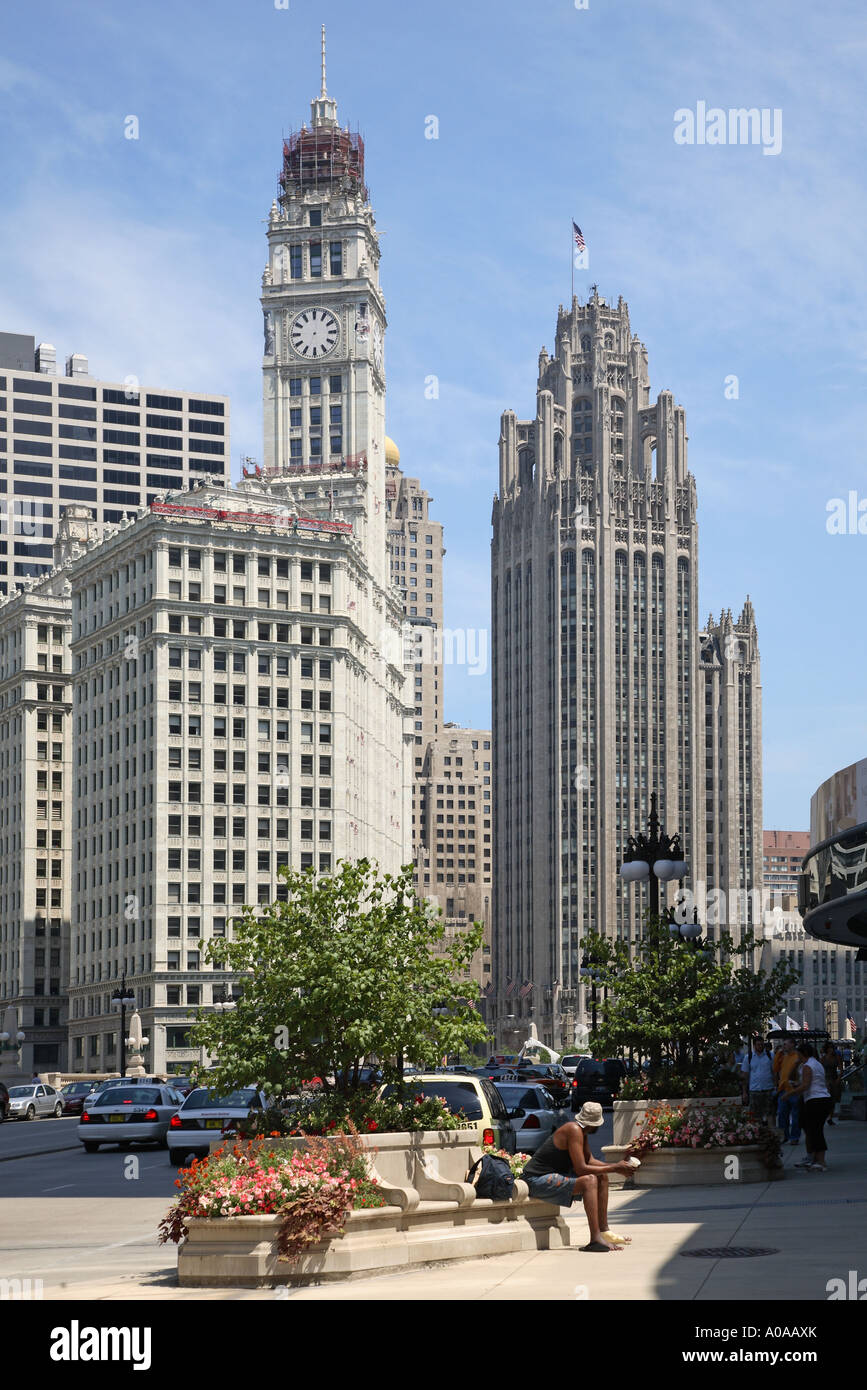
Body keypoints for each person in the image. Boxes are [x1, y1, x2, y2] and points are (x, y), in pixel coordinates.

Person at [521, 1101, 635, 1252]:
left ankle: (604, 1232)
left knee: (601, 1176)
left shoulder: (582, 1131)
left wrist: (619, 1166)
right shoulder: (573, 1130)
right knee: (589, 1180)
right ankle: (595, 1240)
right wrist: (616, 1168)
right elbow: (581, 1169)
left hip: (551, 1176)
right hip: (536, 1179)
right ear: (594, 1124)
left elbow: (590, 1161)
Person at [790, 1042, 831, 1171]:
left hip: (815, 1100)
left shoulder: (808, 1066)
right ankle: (813, 1158)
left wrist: (790, 1093)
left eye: (798, 1054)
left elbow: (805, 1085)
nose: (797, 1057)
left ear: (804, 1054)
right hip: (820, 1099)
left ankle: (821, 1161)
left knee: (816, 1130)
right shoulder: (816, 1063)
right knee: (811, 1129)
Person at [741, 1038, 776, 1123]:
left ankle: (771, 1133)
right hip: (754, 1090)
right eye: (758, 1044)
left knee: (770, 1114)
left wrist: (776, 1087)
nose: (760, 1046)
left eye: (761, 1044)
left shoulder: (770, 1056)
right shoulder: (748, 1057)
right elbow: (744, 1076)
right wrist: (744, 1092)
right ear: (754, 1046)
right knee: (755, 1116)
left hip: (768, 1089)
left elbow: (775, 1072)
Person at [774, 1039, 801, 1144]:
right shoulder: (783, 1057)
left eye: (786, 1044)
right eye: (783, 1044)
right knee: (782, 1115)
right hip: (783, 1089)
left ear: (792, 1044)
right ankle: (784, 1135)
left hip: (794, 1090)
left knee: (795, 1116)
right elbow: (775, 1069)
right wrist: (778, 1055)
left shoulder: (797, 1057)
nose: (783, 1046)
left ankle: (794, 1137)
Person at [820, 1042, 842, 1124]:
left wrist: (839, 1079)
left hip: (834, 1079)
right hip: (825, 1079)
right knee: (826, 1099)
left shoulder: (837, 1057)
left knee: (833, 1100)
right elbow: (820, 1070)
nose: (831, 1049)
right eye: (829, 1048)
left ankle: (830, 1117)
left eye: (832, 1048)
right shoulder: (823, 1058)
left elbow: (840, 1068)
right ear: (826, 1049)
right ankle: (826, 1116)